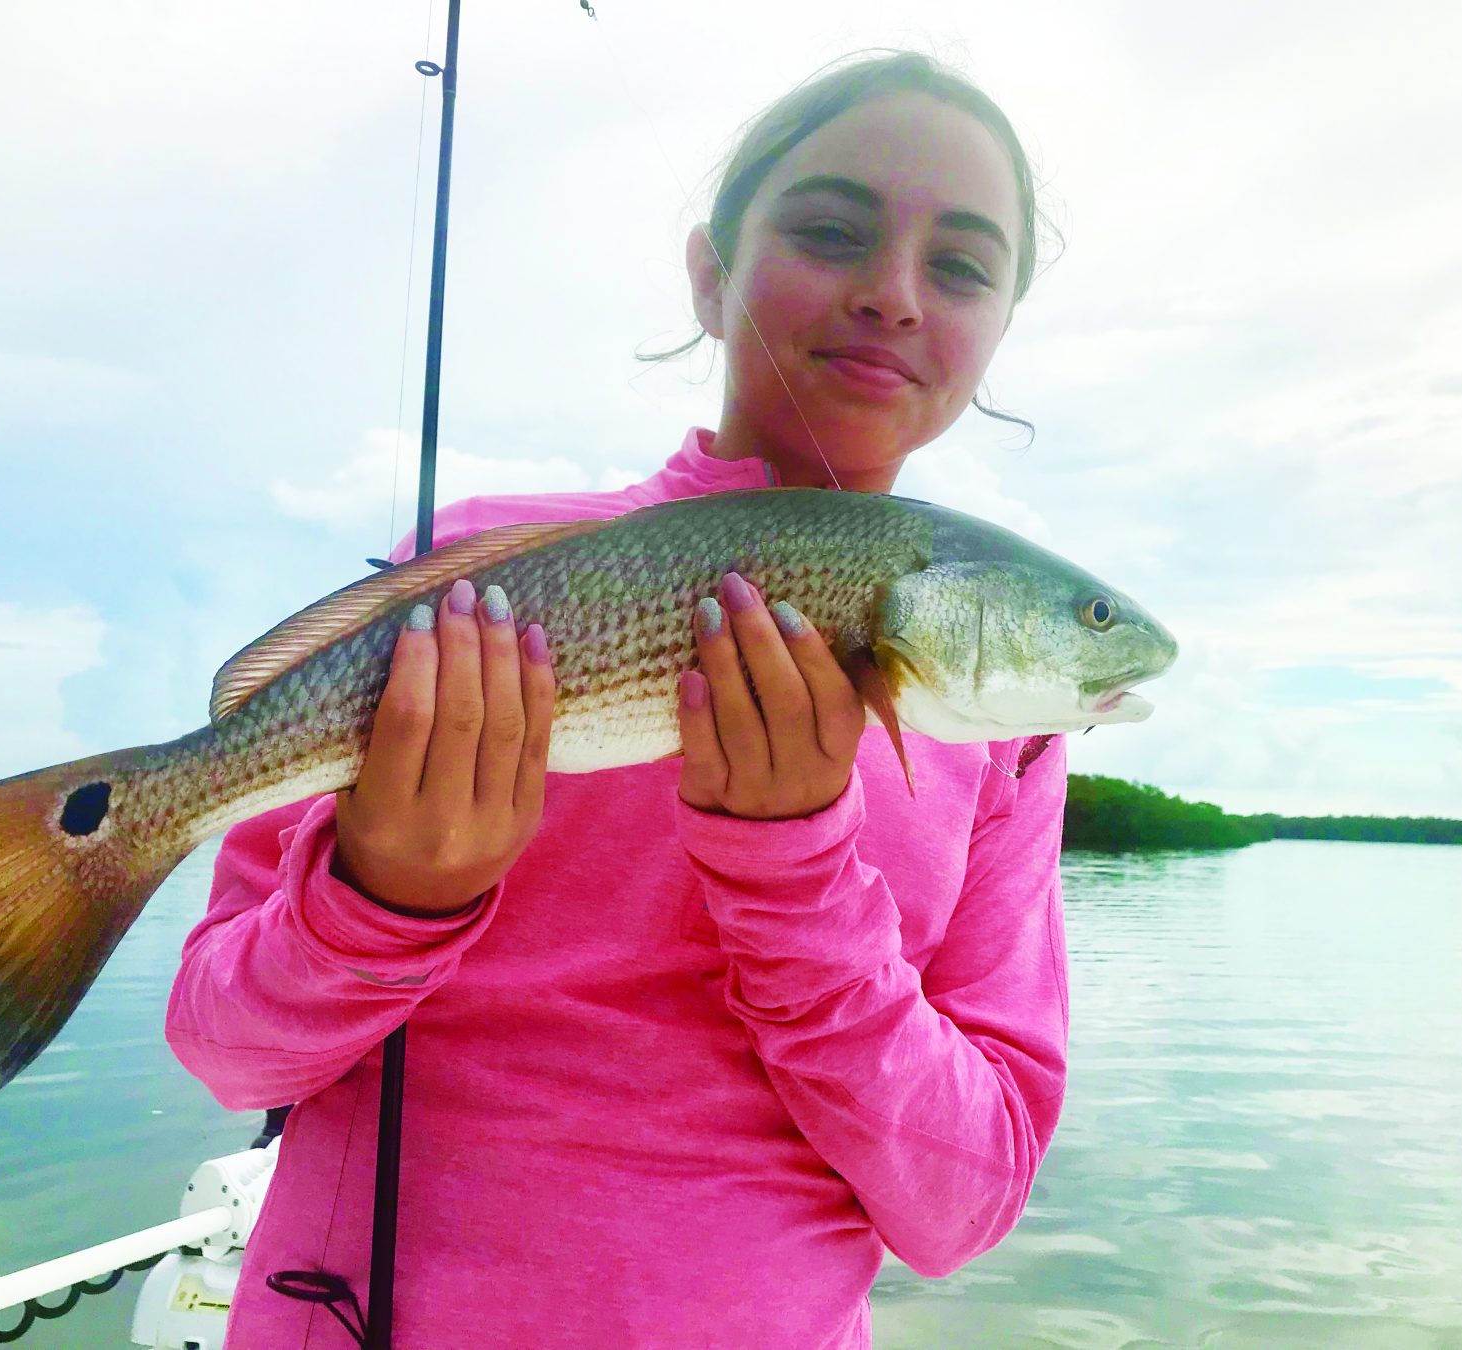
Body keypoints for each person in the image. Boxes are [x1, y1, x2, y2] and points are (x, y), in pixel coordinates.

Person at [167, 49, 1070, 1350]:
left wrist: (795, 875)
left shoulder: (1011, 724)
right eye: (830, 231)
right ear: (711, 273)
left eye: (964, 266)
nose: (891, 294)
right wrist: (386, 892)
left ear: (995, 334)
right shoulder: (473, 572)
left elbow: (959, 1207)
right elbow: (229, 1055)